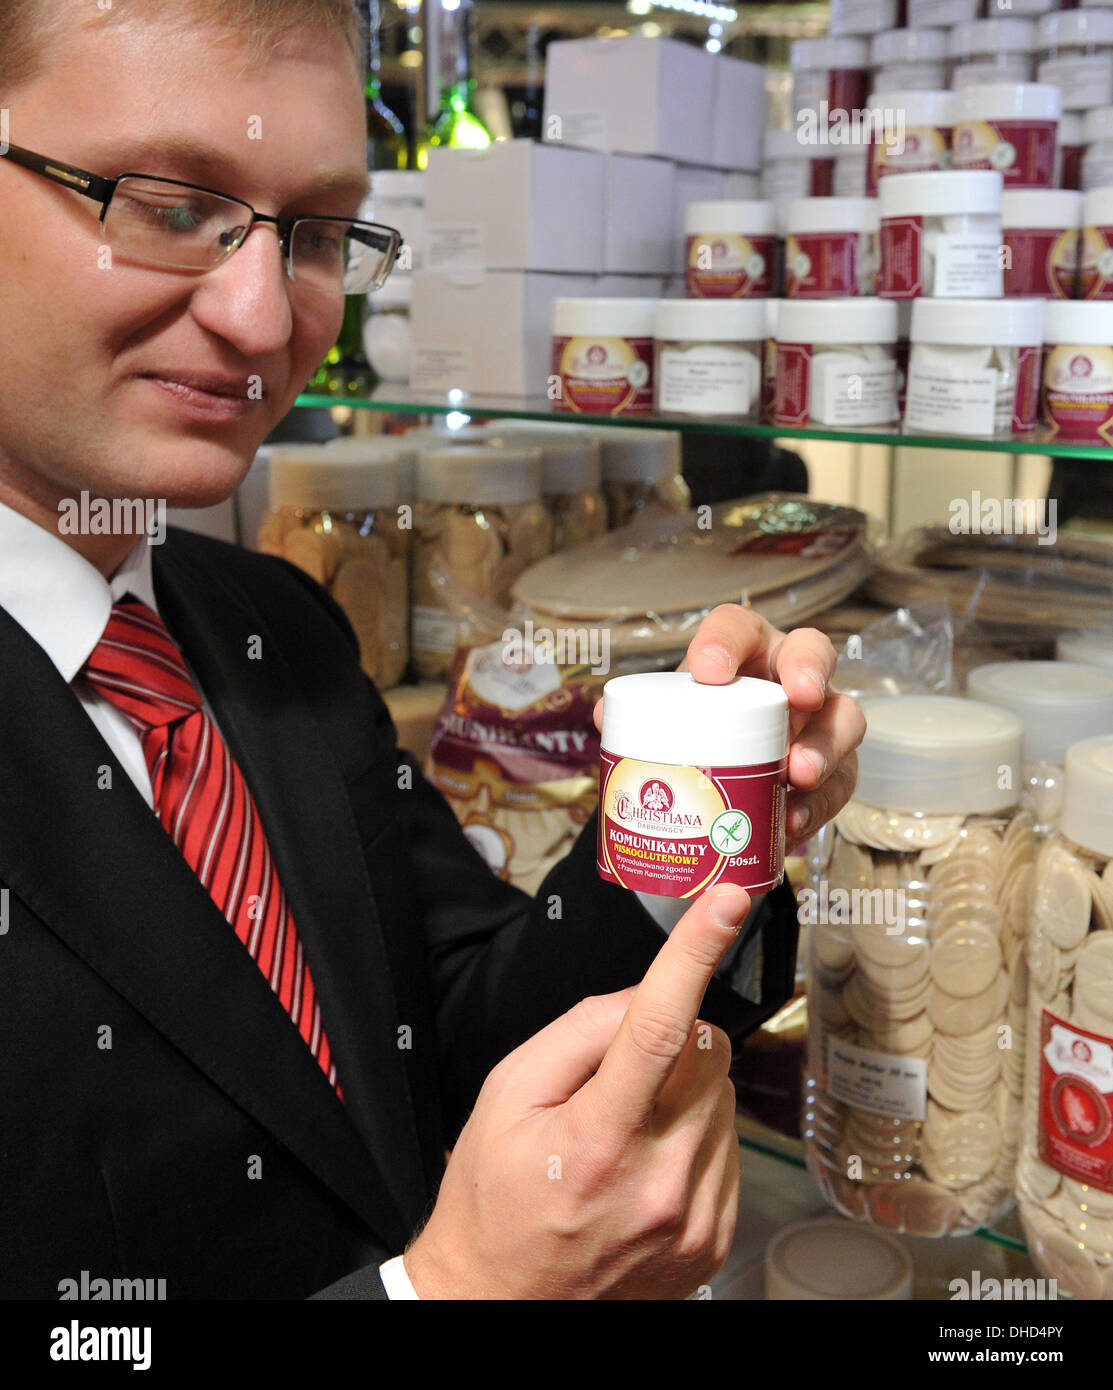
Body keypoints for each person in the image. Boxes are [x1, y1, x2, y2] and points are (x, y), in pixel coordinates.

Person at [0, 0, 865, 1300]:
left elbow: (440, 1029)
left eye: (318, 234)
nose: (261, 318)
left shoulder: (266, 622)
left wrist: (694, 814)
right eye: (174, 207)